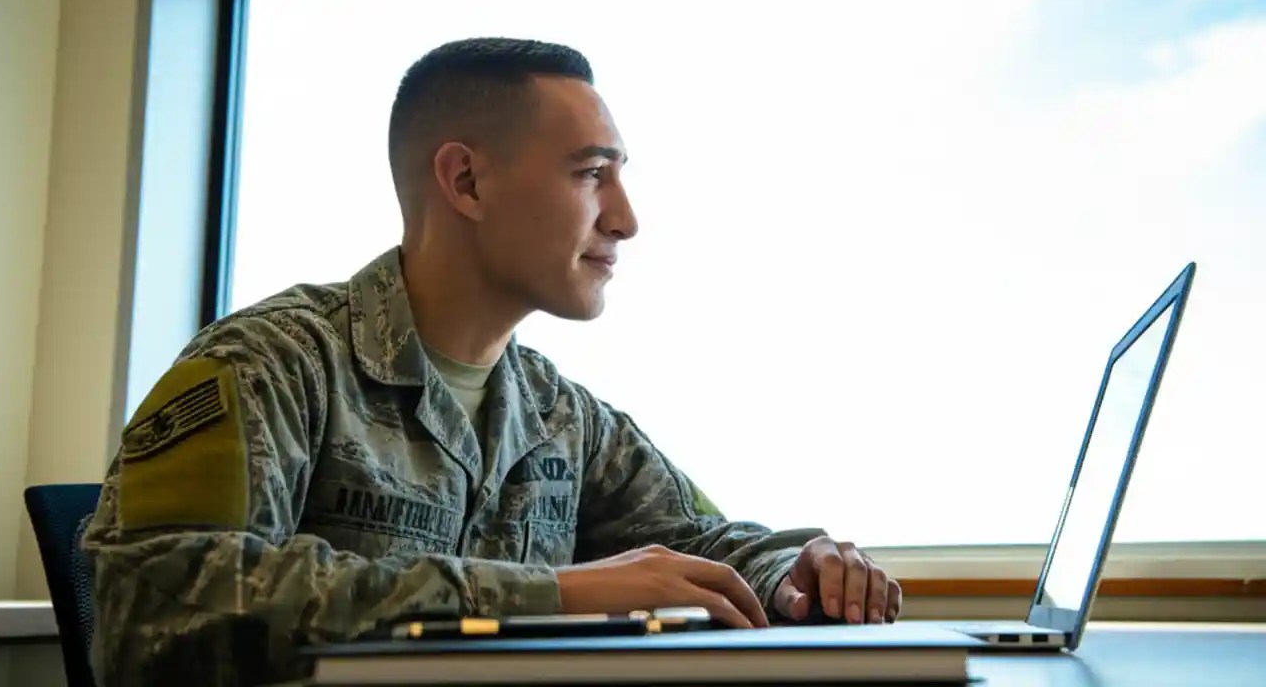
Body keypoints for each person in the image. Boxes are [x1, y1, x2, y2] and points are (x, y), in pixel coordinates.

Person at [82, 37, 902, 686]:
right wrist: (552, 596)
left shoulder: (556, 414)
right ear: (466, 180)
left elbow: (692, 545)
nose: (625, 219)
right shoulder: (267, 366)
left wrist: (796, 572)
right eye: (590, 174)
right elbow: (155, 612)